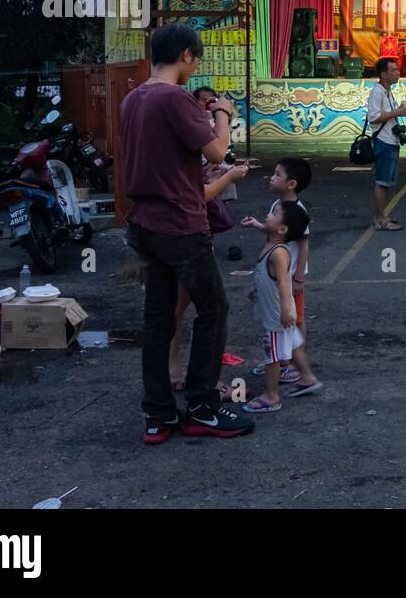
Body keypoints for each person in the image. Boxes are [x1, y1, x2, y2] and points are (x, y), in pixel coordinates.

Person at [121, 23, 253, 443]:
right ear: (184, 56)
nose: (195, 67)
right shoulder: (174, 99)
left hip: (143, 221)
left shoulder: (132, 98)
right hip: (180, 223)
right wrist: (222, 114)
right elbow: (217, 151)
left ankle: (158, 416)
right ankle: (201, 407)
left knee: (158, 320)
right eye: (195, 59)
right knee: (213, 310)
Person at [241, 157, 319, 397]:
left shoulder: (297, 212)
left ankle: (290, 366)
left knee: (292, 321)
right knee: (286, 325)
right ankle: (285, 364)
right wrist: (257, 224)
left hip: (287, 278)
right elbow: (273, 230)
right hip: (275, 276)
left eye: (277, 174)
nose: (271, 177)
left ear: (291, 183)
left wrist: (299, 277)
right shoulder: (278, 205)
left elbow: (304, 245)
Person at [168, 159, 249, 390]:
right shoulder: (184, 133)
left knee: (179, 304)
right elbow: (195, 195)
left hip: (176, 230)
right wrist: (226, 179)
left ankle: (175, 370)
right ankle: (205, 387)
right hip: (186, 231)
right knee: (212, 309)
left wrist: (211, 176)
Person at [367, 58, 406, 231]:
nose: (397, 73)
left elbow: (386, 114)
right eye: (393, 70)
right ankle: (379, 219)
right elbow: (374, 117)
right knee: (382, 181)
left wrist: (397, 111)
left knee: (386, 181)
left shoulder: (387, 91)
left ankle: (381, 215)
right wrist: (397, 112)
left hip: (390, 140)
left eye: (397, 70)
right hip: (384, 141)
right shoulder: (377, 92)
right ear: (383, 74)